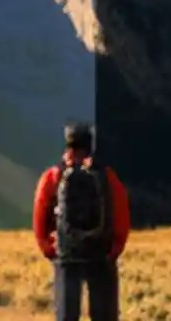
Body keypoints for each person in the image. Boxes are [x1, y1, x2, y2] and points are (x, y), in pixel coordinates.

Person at [33, 122, 130, 321]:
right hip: (101, 256)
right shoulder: (107, 177)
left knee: (67, 316)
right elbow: (121, 216)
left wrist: (51, 248)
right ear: (90, 146)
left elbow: (40, 216)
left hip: (67, 256)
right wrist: (113, 250)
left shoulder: (53, 176)